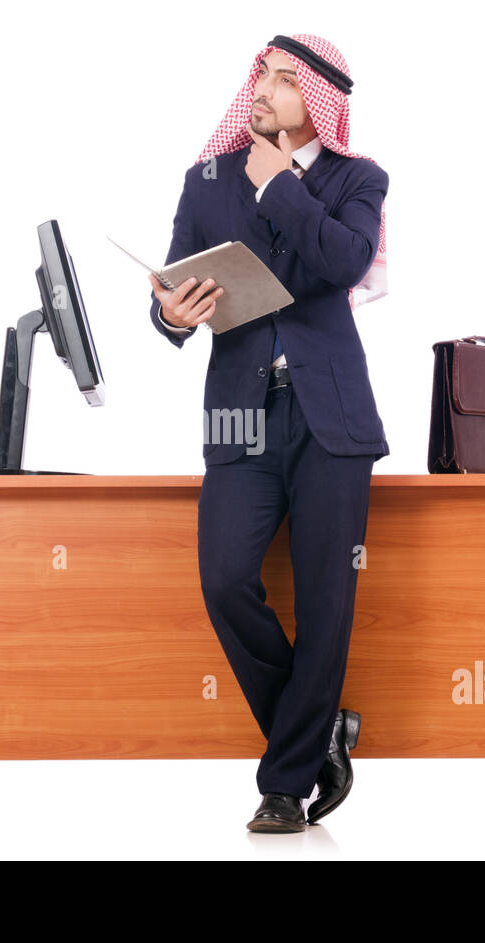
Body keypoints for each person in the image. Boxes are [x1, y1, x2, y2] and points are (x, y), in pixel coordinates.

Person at [148, 34, 390, 833]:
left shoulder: (357, 181)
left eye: (286, 80)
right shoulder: (206, 180)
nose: (265, 86)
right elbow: (176, 287)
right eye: (262, 72)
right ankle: (317, 734)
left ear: (317, 103)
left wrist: (281, 185)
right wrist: (168, 314)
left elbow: (345, 261)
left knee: (327, 603)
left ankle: (284, 786)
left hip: (331, 419)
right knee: (224, 577)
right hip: (239, 419)